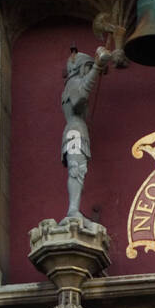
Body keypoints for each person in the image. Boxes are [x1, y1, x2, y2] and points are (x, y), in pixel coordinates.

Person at [60, 44, 110, 219]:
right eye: (87, 68)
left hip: (78, 131)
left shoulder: (72, 84)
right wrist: (97, 67)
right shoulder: (73, 83)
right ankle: (73, 209)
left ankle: (73, 208)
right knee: (76, 169)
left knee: (79, 169)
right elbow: (81, 96)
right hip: (75, 131)